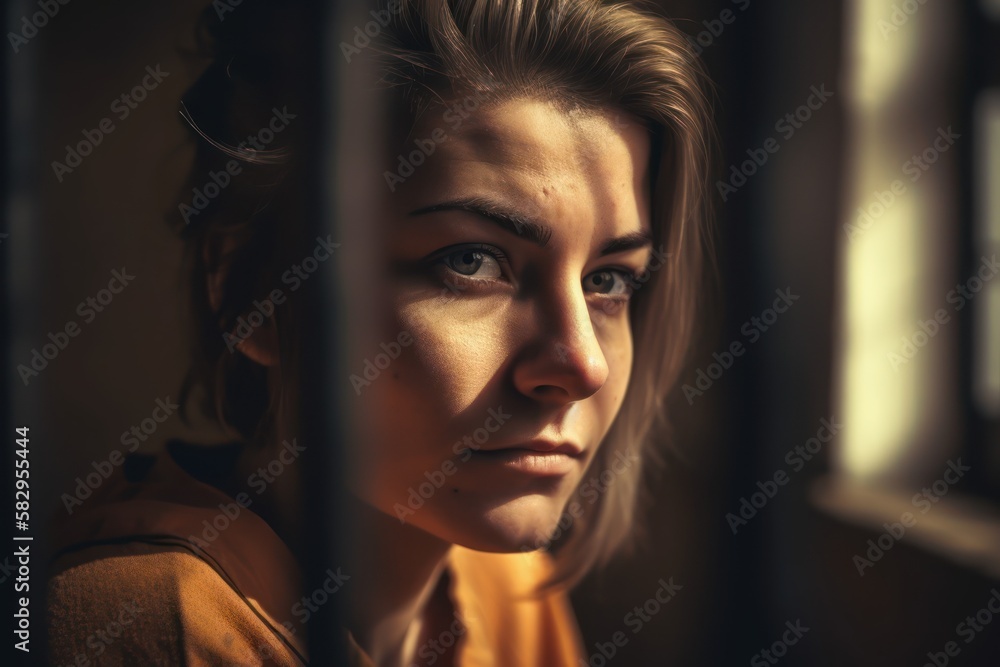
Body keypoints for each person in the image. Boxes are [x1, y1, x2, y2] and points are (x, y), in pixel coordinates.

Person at [46, 0, 714, 664]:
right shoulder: (145, 618)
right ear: (251, 291)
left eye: (609, 280)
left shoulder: (509, 590)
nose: (582, 364)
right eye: (470, 261)